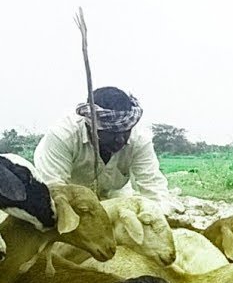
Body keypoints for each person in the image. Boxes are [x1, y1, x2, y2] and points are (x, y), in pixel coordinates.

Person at [33, 86, 172, 210]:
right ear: (91, 126)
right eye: (111, 133)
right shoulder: (62, 136)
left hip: (113, 191)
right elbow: (55, 190)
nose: (120, 139)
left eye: (126, 131)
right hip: (70, 193)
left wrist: (160, 213)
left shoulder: (140, 139)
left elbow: (153, 186)